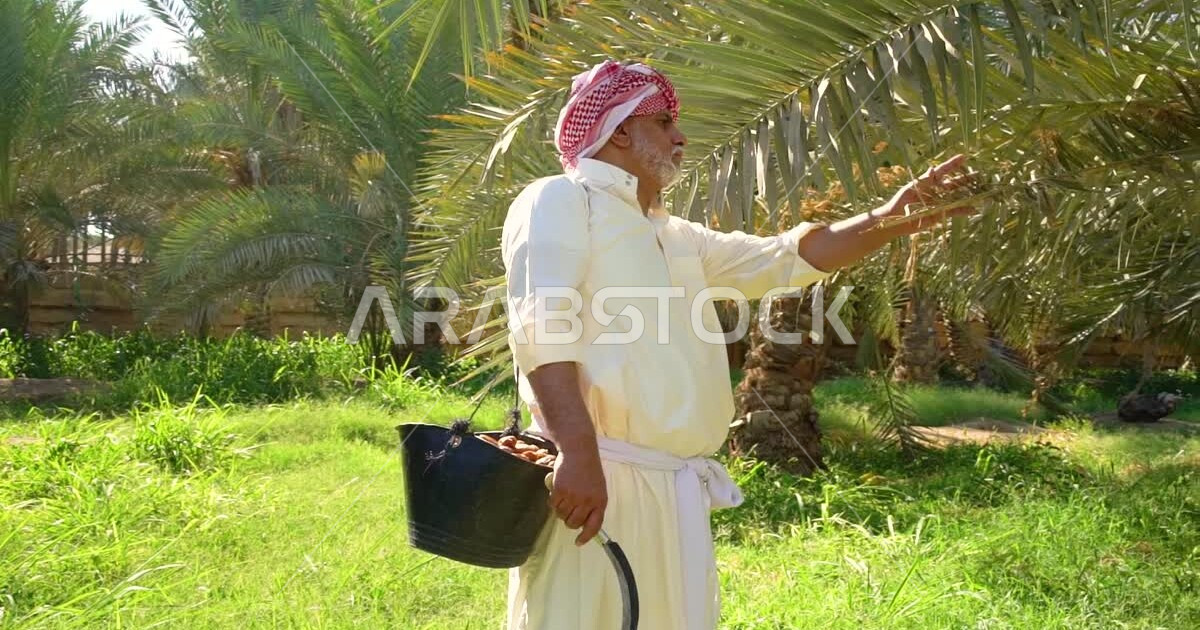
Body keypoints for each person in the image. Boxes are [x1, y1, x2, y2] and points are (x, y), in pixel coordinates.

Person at [501, 60, 974, 630]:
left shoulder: (676, 236)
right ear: (620, 129)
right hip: (596, 482)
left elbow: (784, 258)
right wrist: (578, 454)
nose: (680, 137)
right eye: (664, 122)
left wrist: (890, 219)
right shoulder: (559, 199)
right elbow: (540, 325)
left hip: (674, 490)